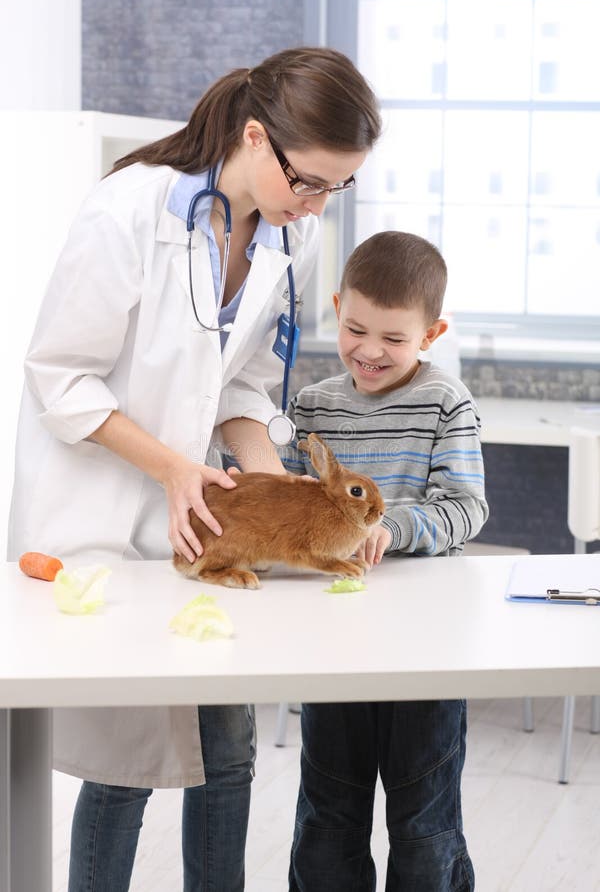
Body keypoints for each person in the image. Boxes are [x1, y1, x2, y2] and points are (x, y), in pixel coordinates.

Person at [7, 47, 381, 891]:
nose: (317, 205)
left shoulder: (290, 235)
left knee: (228, 747)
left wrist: (276, 486)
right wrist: (176, 469)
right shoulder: (128, 210)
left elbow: (241, 382)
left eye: (337, 187)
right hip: (102, 516)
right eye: (309, 181)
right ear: (254, 137)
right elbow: (59, 376)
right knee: (125, 763)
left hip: (208, 522)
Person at [283, 231, 489, 892]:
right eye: (355, 329)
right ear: (336, 309)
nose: (370, 351)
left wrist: (391, 527)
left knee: (424, 825)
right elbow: (286, 502)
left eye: (394, 339)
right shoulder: (313, 408)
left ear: (431, 334)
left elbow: (466, 506)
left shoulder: (446, 402)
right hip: (335, 643)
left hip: (428, 643)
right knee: (328, 821)